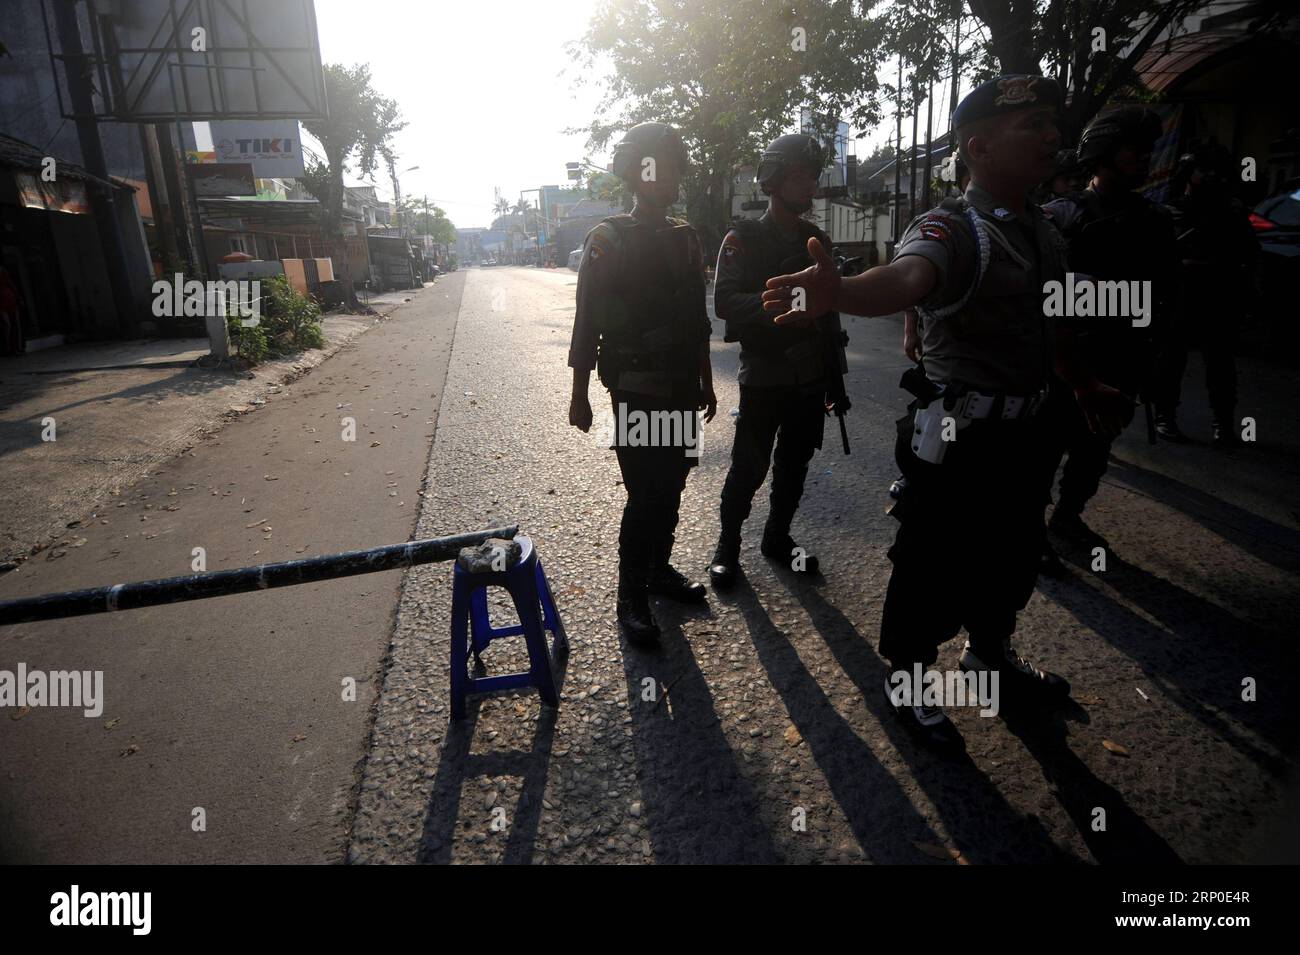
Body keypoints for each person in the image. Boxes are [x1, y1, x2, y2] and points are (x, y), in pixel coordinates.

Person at [762, 76, 1133, 753]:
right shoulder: (953, 225)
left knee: (1014, 556)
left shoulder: (1044, 228)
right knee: (933, 567)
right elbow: (909, 275)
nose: (1053, 136)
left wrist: (1082, 386)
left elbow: (1054, 328)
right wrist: (841, 290)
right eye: (1034, 125)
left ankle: (988, 660)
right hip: (959, 439)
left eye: (1054, 123)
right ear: (979, 145)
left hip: (1027, 431)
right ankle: (907, 680)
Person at [567, 122, 718, 644]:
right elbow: (587, 318)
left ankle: (659, 568)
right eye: (659, 165)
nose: (670, 176)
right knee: (645, 492)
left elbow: (698, 319)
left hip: (679, 382)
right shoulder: (608, 238)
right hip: (635, 385)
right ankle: (630, 596)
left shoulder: (686, 237)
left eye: (676, 166)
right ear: (636, 172)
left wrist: (706, 381)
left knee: (674, 483)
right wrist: (579, 393)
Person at [707, 133, 850, 588]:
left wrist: (836, 382)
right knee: (749, 465)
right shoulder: (742, 238)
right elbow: (726, 301)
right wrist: (780, 306)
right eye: (799, 176)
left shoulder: (817, 239)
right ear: (773, 180)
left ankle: (777, 537)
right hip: (764, 373)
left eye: (812, 176)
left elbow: (829, 313)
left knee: (795, 463)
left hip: (808, 375)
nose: (809, 185)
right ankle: (727, 546)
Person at [1038, 108, 1179, 551]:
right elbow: (1041, 297)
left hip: (1123, 358)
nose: (1144, 158)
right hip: (1064, 362)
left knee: (1096, 448)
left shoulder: (1155, 222)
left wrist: (1157, 352)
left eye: (1147, 150)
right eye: (1132, 149)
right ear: (1101, 155)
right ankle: (1029, 532)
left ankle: (1067, 516)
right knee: (1043, 450)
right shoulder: (1060, 216)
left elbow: (1162, 298)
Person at [1153, 142, 1260, 447]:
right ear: (1189, 173)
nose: (1211, 176)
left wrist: (1245, 289)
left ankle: (1224, 423)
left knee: (1221, 366)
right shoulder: (1169, 211)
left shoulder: (1232, 212)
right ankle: (1165, 416)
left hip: (1219, 296)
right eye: (1204, 170)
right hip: (1181, 296)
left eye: (1215, 171)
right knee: (1171, 361)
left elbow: (1250, 254)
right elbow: (1156, 258)